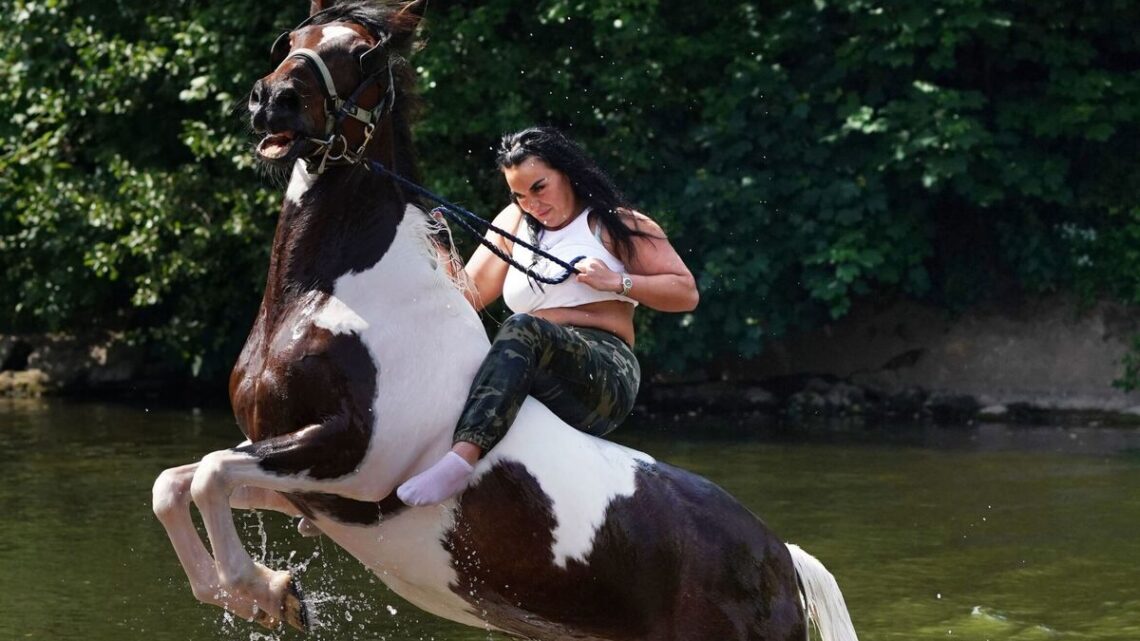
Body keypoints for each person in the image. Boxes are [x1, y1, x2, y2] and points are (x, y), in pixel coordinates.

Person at [397, 126, 699, 506]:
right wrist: (438, 243)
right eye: (519, 195)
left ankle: (461, 461)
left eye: (539, 188)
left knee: (521, 327)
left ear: (567, 172)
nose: (531, 204)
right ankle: (372, 480)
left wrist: (616, 282)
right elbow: (465, 297)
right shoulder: (513, 222)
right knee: (448, 351)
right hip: (525, 363)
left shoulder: (615, 224)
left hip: (603, 374)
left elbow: (685, 293)